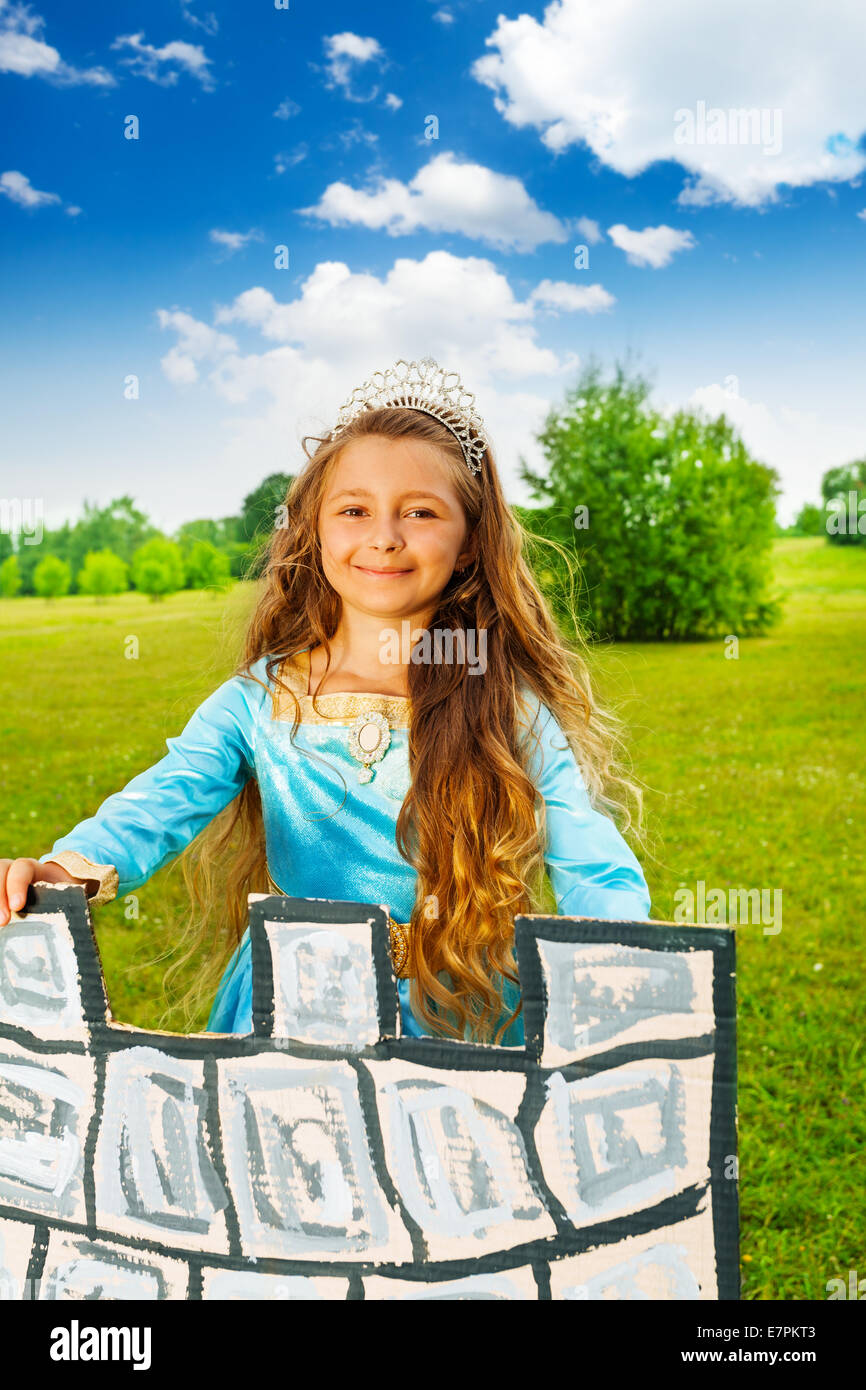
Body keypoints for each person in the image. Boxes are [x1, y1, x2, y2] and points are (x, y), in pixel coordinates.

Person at [0, 357, 651, 1046]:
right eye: (354, 509)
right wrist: (64, 867)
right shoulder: (257, 701)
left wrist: (621, 959)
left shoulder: (506, 709)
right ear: (315, 529)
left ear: (468, 544)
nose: (384, 536)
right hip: (288, 1006)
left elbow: (593, 863)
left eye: (421, 511)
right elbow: (162, 799)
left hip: (461, 1004)